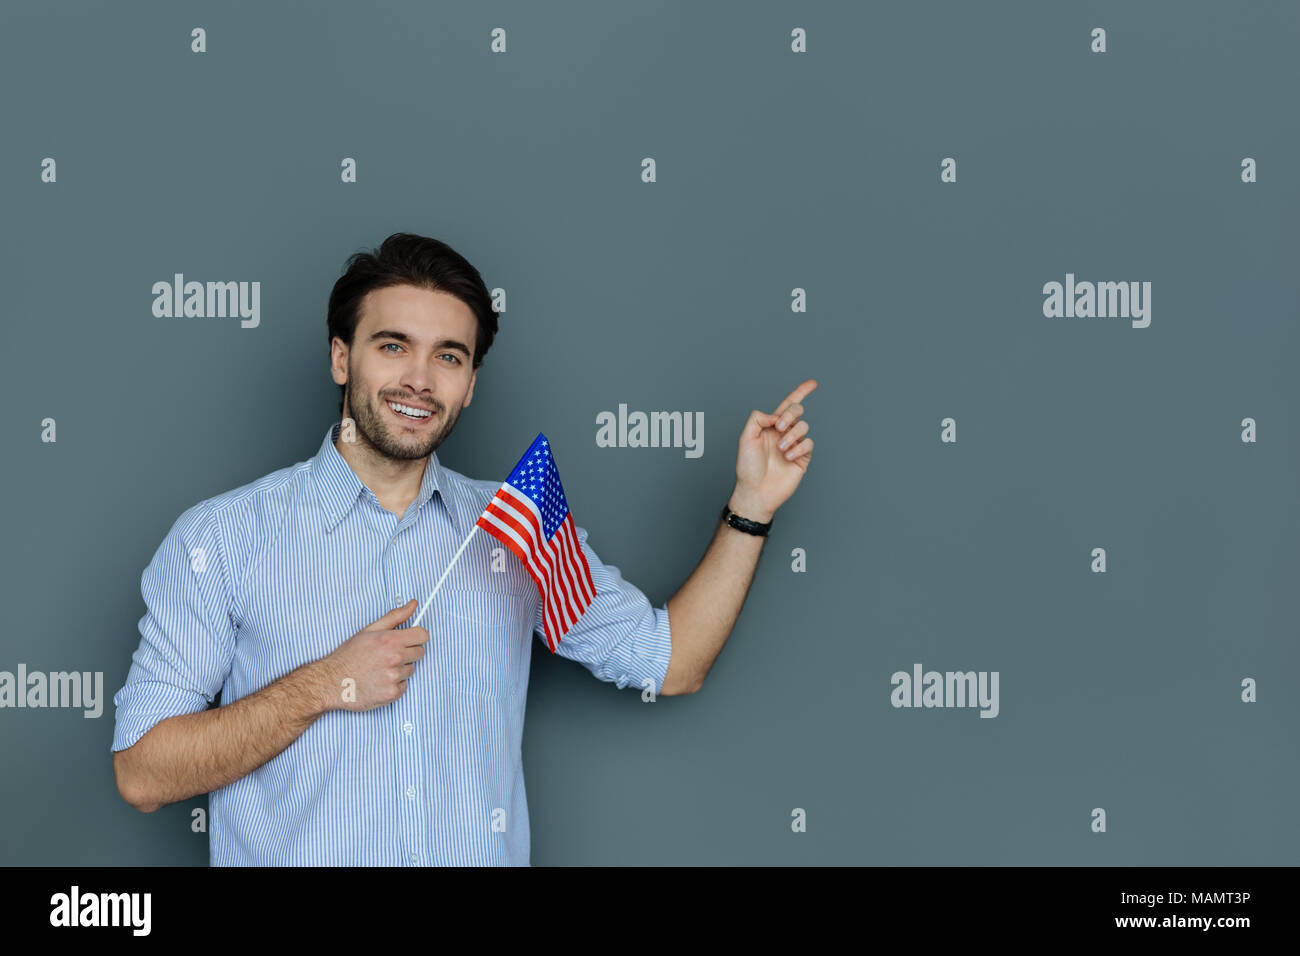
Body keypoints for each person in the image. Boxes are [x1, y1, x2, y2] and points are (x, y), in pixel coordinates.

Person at [110, 232, 817, 865]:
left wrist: (750, 508)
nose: (420, 379)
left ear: (471, 383)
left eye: (448, 356)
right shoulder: (223, 539)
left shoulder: (515, 528)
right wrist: (326, 683)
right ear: (339, 358)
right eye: (393, 346)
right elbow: (143, 774)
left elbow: (672, 663)